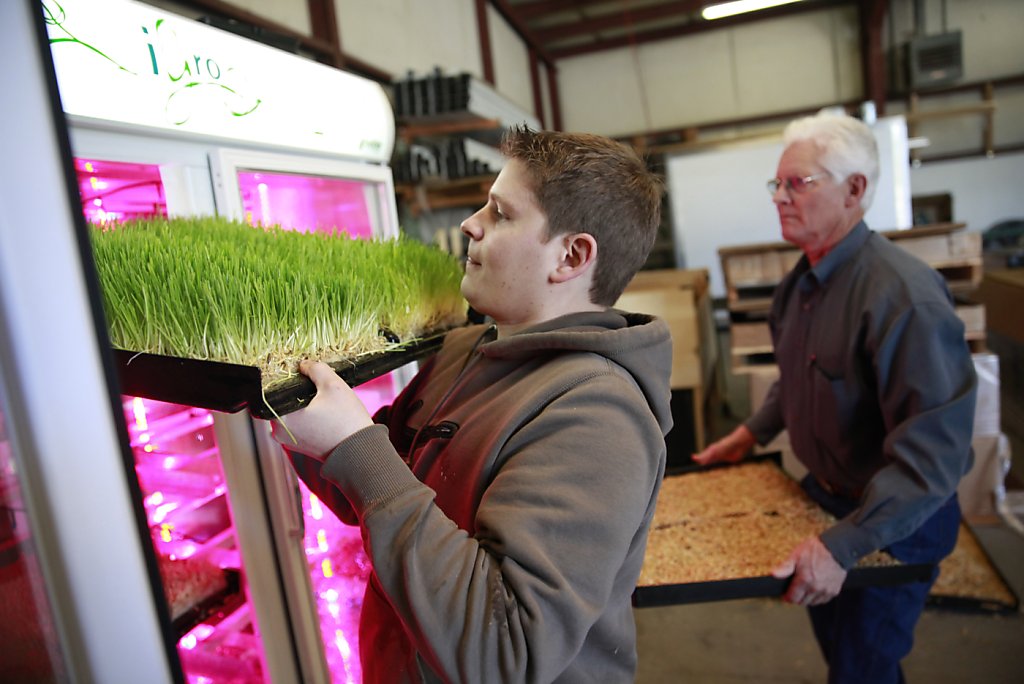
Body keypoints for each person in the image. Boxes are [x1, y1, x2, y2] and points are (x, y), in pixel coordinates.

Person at [269, 126, 672, 683]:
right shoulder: (468, 348)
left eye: (501, 214)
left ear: (571, 255)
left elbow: (504, 651)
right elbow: (368, 494)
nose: (469, 224)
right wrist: (288, 406)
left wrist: (355, 447)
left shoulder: (598, 416)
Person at [695, 111, 977, 682]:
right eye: (777, 184)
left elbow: (934, 458)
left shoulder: (904, 299)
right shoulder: (800, 286)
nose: (780, 197)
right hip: (825, 503)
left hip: (894, 523)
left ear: (855, 190)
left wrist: (841, 546)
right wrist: (749, 434)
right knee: (838, 646)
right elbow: (800, 380)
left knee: (863, 666)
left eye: (798, 182)